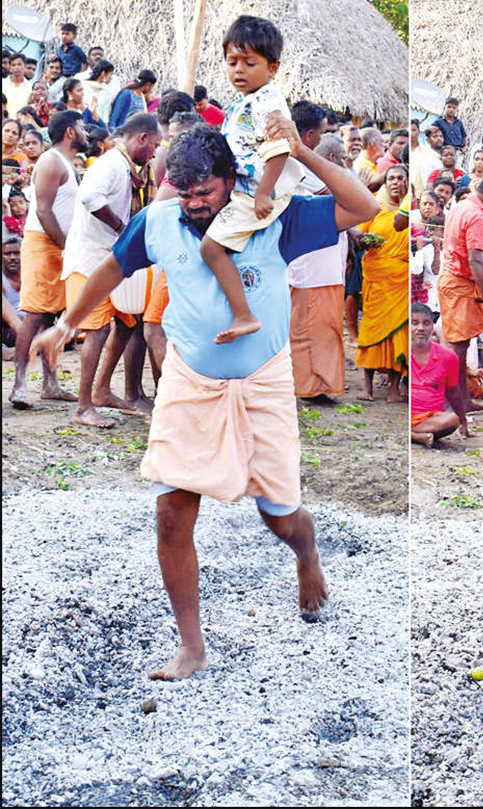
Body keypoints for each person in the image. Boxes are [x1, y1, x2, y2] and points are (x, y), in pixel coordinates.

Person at [29, 116, 380, 680]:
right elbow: (113, 266)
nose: (193, 204)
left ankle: (308, 557)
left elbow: (363, 207)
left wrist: (298, 152)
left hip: (263, 380)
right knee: (171, 515)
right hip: (189, 379)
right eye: (184, 192)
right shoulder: (158, 220)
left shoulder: (273, 215)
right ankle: (191, 647)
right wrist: (66, 323)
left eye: (205, 192)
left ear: (230, 180)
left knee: (281, 518)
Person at [197, 16, 297, 346]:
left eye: (249, 63)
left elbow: (279, 148)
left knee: (210, 248)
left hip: (256, 191)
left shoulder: (268, 102)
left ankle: (244, 315)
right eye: (232, 62)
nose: (239, 70)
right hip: (244, 187)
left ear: (273, 67)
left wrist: (263, 194)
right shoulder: (245, 101)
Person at [60, 110, 161, 427]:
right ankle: (83, 407)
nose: (155, 153)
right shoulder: (111, 164)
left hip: (110, 258)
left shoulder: (130, 166)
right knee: (97, 330)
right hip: (88, 258)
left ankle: (102, 391)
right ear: (142, 138)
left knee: (127, 322)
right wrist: (122, 228)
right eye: (154, 145)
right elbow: (91, 198)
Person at [10, 110, 87, 409]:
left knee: (53, 316)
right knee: (35, 315)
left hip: (59, 246)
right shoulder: (51, 161)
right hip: (44, 245)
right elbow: (43, 210)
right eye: (81, 127)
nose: (86, 133)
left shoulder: (64, 162)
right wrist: (67, 246)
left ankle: (50, 383)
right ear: (70, 132)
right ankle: (19, 385)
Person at [284, 102, 347, 403]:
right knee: (311, 325)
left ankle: (318, 384)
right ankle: (310, 386)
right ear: (309, 135)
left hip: (320, 259)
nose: (321, 140)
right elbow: (341, 195)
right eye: (321, 134)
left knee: (320, 324)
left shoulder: (301, 162)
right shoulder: (297, 163)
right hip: (311, 262)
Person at [436, 174, 483, 418]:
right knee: (456, 347)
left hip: (456, 282)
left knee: (462, 345)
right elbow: (476, 260)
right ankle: (452, 403)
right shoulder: (476, 215)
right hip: (460, 283)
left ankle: (463, 400)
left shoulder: (462, 205)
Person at [355, 165, 411, 402]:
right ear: (385, 183)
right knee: (371, 328)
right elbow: (358, 236)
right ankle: (367, 388)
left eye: (400, 178)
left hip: (401, 280)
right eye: (391, 179)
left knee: (398, 331)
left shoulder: (411, 210)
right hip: (376, 278)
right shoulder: (375, 208)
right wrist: (367, 241)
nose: (396, 182)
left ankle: (394, 389)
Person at [410, 301, 465, 445]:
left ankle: (411, 434)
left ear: (432, 327)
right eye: (414, 323)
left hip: (430, 420)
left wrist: (463, 421)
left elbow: (453, 392)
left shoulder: (448, 356)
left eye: (426, 323)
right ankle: (414, 436)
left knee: (452, 420)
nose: (420, 328)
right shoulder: (400, 353)